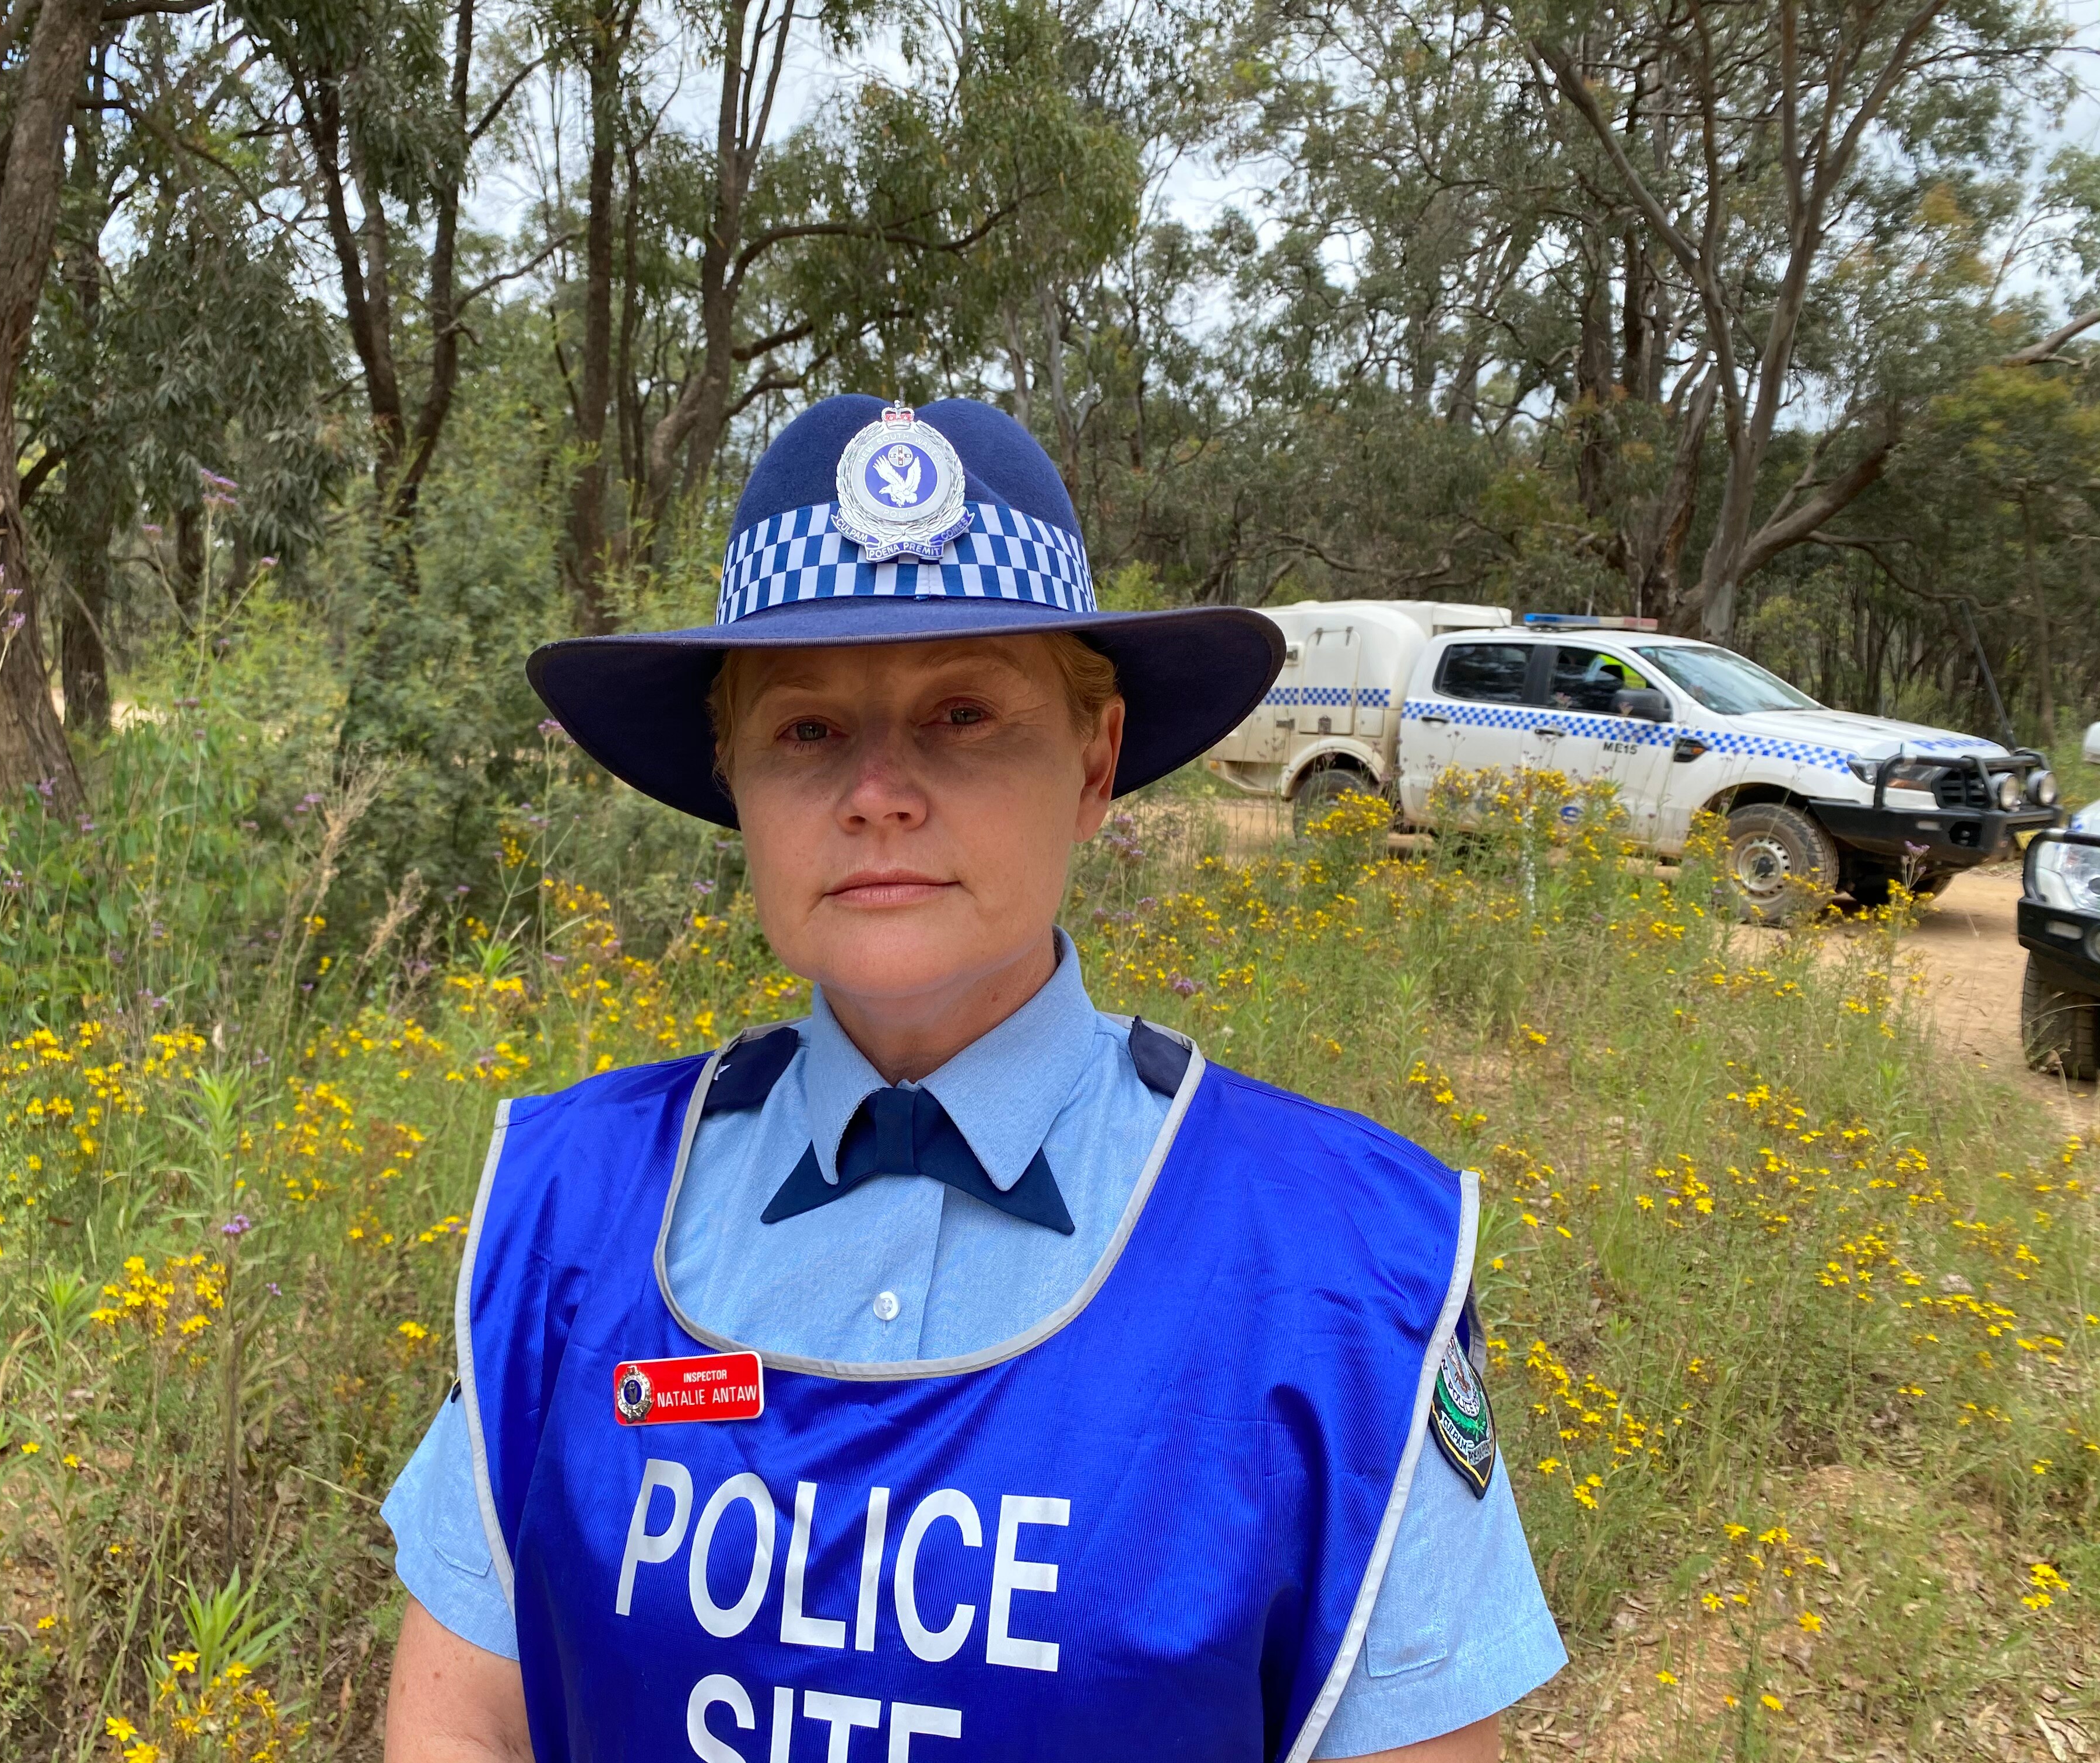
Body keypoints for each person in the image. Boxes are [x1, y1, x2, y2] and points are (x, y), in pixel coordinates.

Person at [381, 397, 1566, 1762]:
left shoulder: (1344, 1269)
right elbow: (464, 1723)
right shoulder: (560, 1215)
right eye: (808, 731)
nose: (879, 792)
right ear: (738, 786)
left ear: (1095, 763)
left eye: (963, 712)